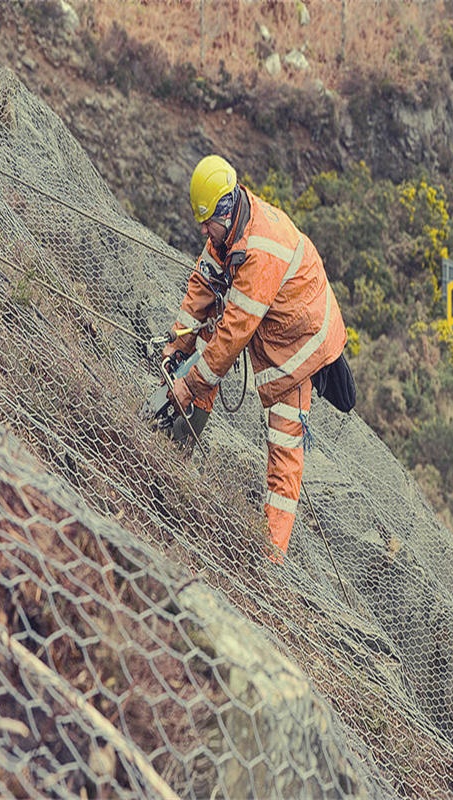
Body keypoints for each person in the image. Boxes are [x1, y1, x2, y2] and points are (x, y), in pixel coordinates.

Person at [163, 154, 352, 561]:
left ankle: (270, 557)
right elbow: (201, 285)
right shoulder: (227, 232)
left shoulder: (261, 251)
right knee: (208, 331)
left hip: (299, 345)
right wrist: (175, 346)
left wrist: (190, 382)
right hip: (272, 325)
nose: (201, 230)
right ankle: (178, 441)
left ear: (227, 210)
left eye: (206, 221)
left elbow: (232, 337)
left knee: (283, 445)